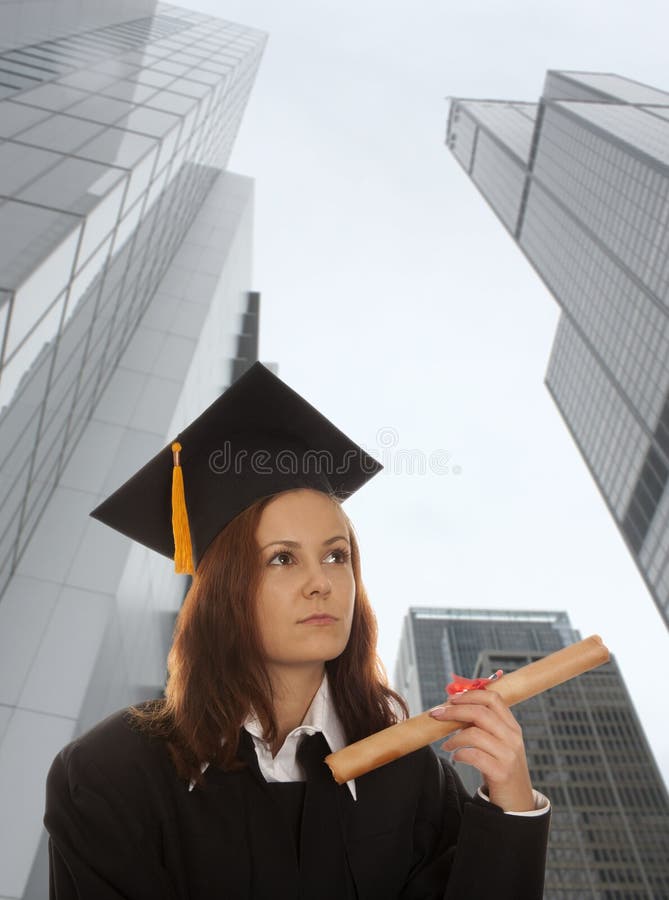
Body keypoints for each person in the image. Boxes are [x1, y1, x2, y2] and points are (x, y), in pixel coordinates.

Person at [44, 362, 550, 899]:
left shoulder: (408, 776)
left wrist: (511, 802)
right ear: (224, 591)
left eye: (336, 555)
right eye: (282, 558)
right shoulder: (112, 774)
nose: (321, 583)